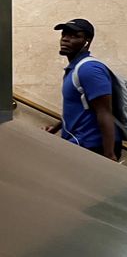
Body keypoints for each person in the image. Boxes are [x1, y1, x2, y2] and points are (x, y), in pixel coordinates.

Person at [43, 19, 122, 161]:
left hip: (92, 147)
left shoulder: (89, 70)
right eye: (64, 35)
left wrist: (109, 155)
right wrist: (56, 128)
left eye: (74, 36)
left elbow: (104, 112)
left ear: (87, 41)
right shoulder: (75, 68)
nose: (66, 39)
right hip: (77, 143)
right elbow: (79, 108)